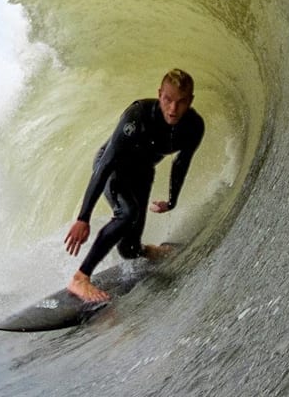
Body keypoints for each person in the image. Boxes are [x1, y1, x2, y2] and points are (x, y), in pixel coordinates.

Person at [63, 68, 205, 303]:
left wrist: (172, 200)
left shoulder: (194, 126)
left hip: (142, 172)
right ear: (160, 94)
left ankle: (144, 250)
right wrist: (83, 218)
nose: (172, 109)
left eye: (180, 102)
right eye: (168, 100)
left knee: (128, 251)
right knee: (127, 213)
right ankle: (80, 277)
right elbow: (105, 165)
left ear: (190, 100)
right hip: (113, 167)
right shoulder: (137, 116)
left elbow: (181, 163)